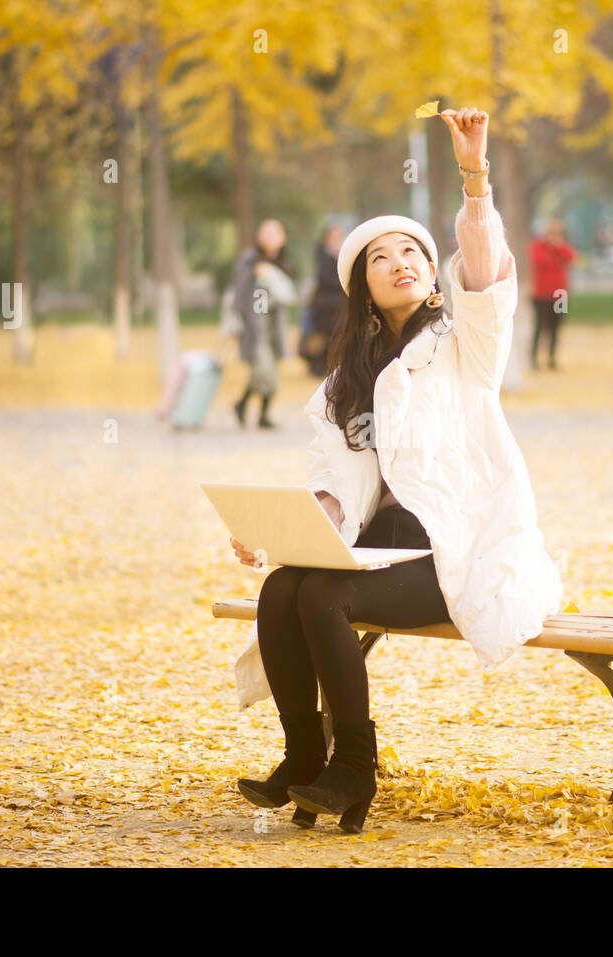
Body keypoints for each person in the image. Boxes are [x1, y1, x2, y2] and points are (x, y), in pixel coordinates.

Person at [228, 106, 564, 834]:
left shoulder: (465, 342)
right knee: (286, 583)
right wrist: (279, 533)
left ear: (430, 271)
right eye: (381, 258)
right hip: (381, 545)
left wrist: (474, 177)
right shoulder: (348, 380)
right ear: (364, 288)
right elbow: (337, 486)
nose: (401, 261)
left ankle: (354, 767)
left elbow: (484, 273)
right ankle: (304, 757)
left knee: (322, 598)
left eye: (411, 250)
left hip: (457, 549)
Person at [230, 220, 296, 428]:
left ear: (282, 238)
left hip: (275, 325)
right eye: (265, 232)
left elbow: (288, 294)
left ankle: (262, 413)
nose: (269, 237)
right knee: (262, 368)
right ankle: (242, 403)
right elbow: (240, 294)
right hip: (255, 323)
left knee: (273, 368)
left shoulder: (283, 263)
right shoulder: (249, 261)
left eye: (274, 233)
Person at [528, 215, 577, 371]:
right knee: (540, 326)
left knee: (556, 327)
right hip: (541, 295)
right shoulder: (537, 246)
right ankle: (534, 358)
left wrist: (559, 247)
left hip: (560, 295)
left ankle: (552, 358)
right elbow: (541, 261)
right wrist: (556, 253)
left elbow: (572, 258)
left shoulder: (563, 247)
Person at [299, 221, 347, 379]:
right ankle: (318, 365)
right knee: (322, 337)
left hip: (340, 304)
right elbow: (325, 278)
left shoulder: (344, 253)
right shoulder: (323, 254)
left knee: (336, 336)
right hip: (325, 305)